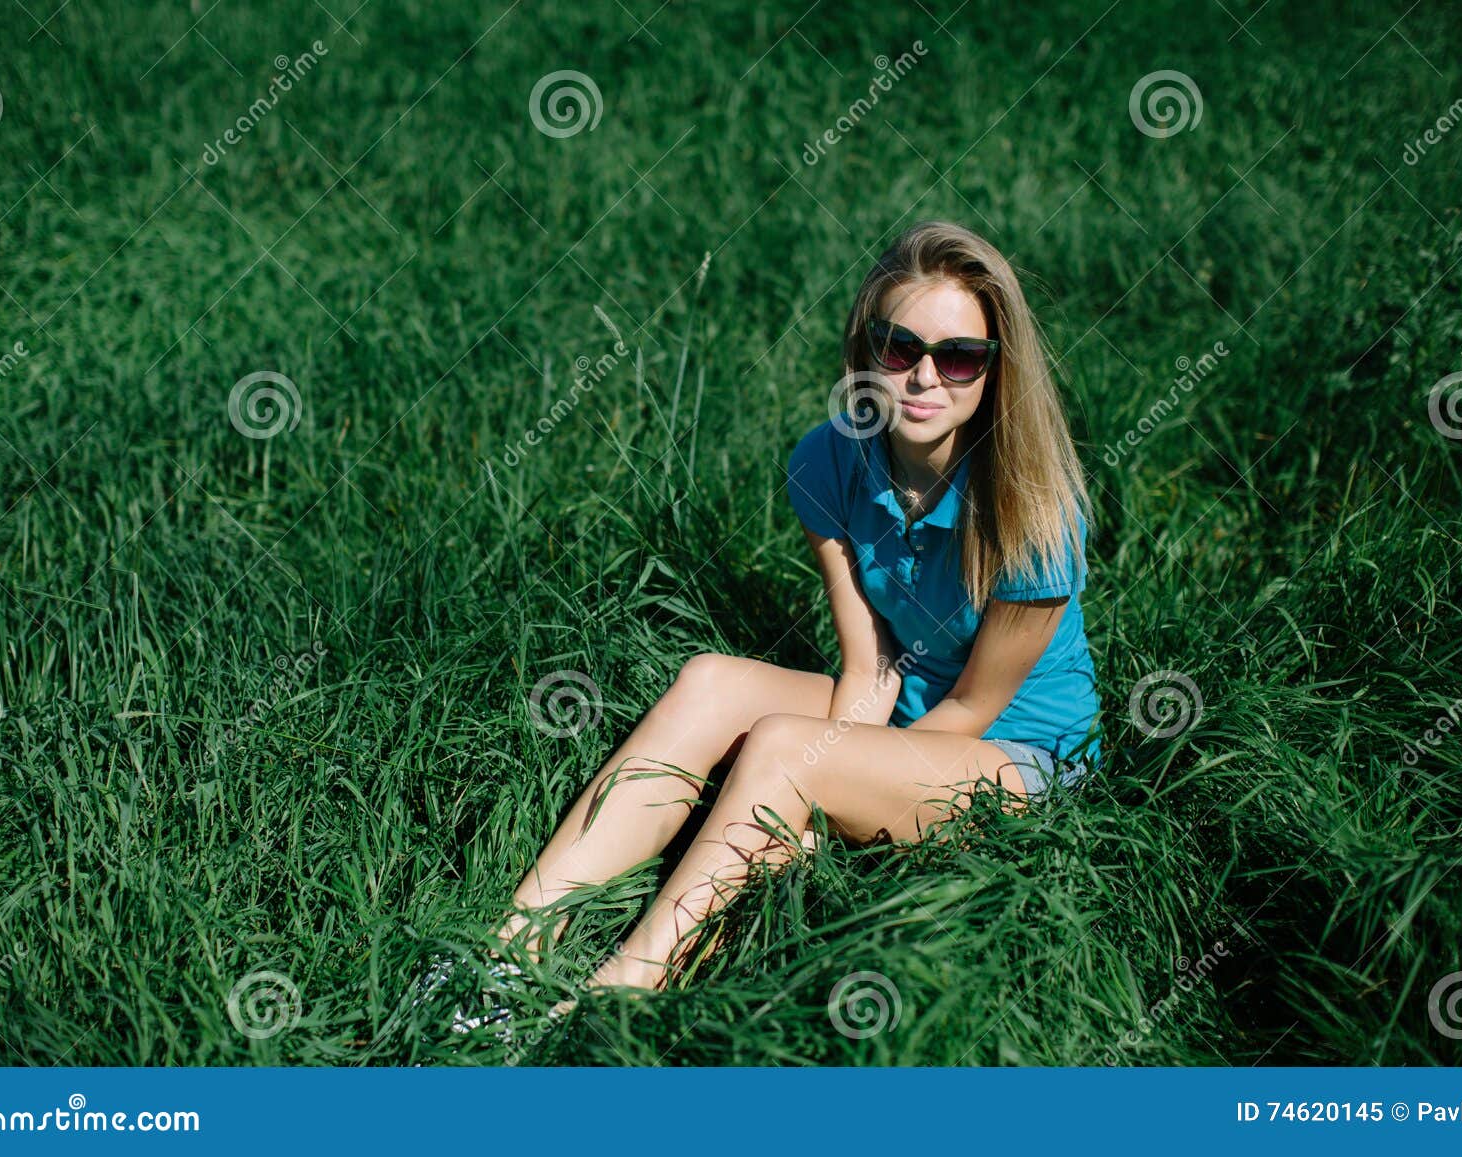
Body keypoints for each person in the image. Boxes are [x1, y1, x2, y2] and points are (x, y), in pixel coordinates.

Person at [415, 219, 1102, 1039]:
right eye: (898, 346)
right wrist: (828, 772)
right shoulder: (828, 462)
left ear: (995, 372)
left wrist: (811, 787)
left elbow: (969, 714)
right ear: (865, 350)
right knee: (712, 681)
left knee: (782, 748)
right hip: (914, 707)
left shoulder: (1034, 515)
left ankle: (611, 1004)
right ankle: (504, 951)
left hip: (1020, 761)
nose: (924, 376)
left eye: (959, 357)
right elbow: (870, 659)